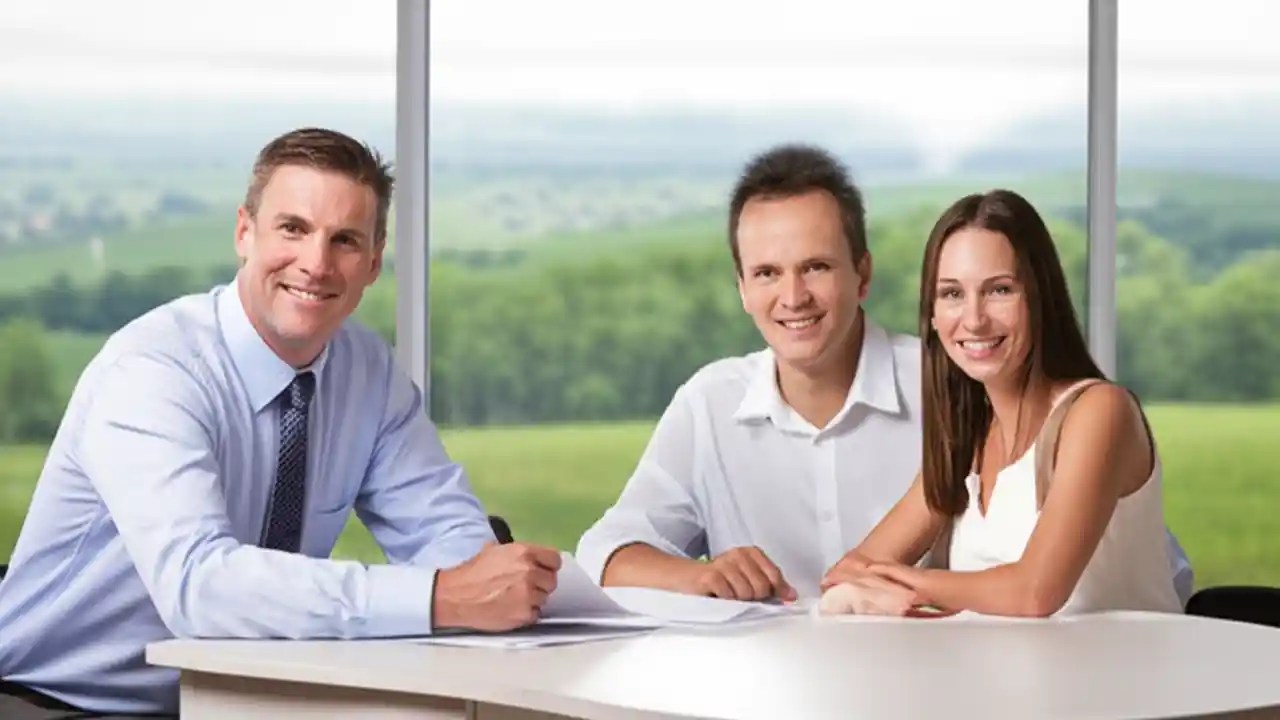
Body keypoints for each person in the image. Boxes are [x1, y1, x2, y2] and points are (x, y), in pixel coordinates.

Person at [0, 128, 560, 718]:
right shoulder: (152, 371)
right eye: (293, 229)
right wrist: (442, 597)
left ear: (373, 261)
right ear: (245, 232)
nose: (316, 264)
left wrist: (486, 586)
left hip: (240, 700)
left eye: (344, 240)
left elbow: (454, 546)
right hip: (53, 698)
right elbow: (200, 588)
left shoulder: (367, 371)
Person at [575, 145, 926, 600]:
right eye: (766, 274)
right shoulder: (709, 403)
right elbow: (604, 552)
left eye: (815, 267)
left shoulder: (939, 388)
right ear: (742, 289)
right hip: (763, 669)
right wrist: (699, 576)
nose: (793, 296)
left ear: (863, 275)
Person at [819, 189, 1184, 617]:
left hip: (1122, 680)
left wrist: (906, 587)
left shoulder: (1098, 412)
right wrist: (889, 590)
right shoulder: (965, 441)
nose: (974, 320)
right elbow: (848, 576)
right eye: (952, 294)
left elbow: (1033, 593)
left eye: (999, 290)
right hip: (1002, 681)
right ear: (933, 316)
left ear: (1040, 296)